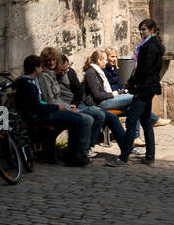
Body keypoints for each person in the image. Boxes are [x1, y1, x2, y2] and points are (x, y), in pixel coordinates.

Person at [39, 46, 125, 152]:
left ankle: (126, 148)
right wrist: (70, 107)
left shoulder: (69, 73)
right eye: (62, 70)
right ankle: (84, 149)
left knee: (110, 117)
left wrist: (74, 103)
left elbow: (79, 91)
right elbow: (52, 99)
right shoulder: (49, 76)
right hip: (66, 107)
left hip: (77, 104)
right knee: (91, 118)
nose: (64, 72)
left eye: (66, 69)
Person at [12, 54, 91, 166]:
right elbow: (37, 107)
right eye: (40, 67)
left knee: (77, 118)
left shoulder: (30, 81)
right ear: (36, 68)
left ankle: (73, 153)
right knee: (77, 120)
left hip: (42, 112)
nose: (42, 69)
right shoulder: (28, 84)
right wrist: (57, 107)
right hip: (37, 117)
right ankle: (73, 156)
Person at [120, 19, 166, 166]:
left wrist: (131, 81)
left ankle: (124, 157)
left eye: (144, 29)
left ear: (152, 30)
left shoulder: (149, 46)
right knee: (146, 121)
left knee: (131, 120)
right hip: (148, 87)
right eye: (140, 29)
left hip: (145, 88)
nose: (141, 32)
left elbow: (144, 70)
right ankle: (150, 156)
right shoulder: (151, 44)